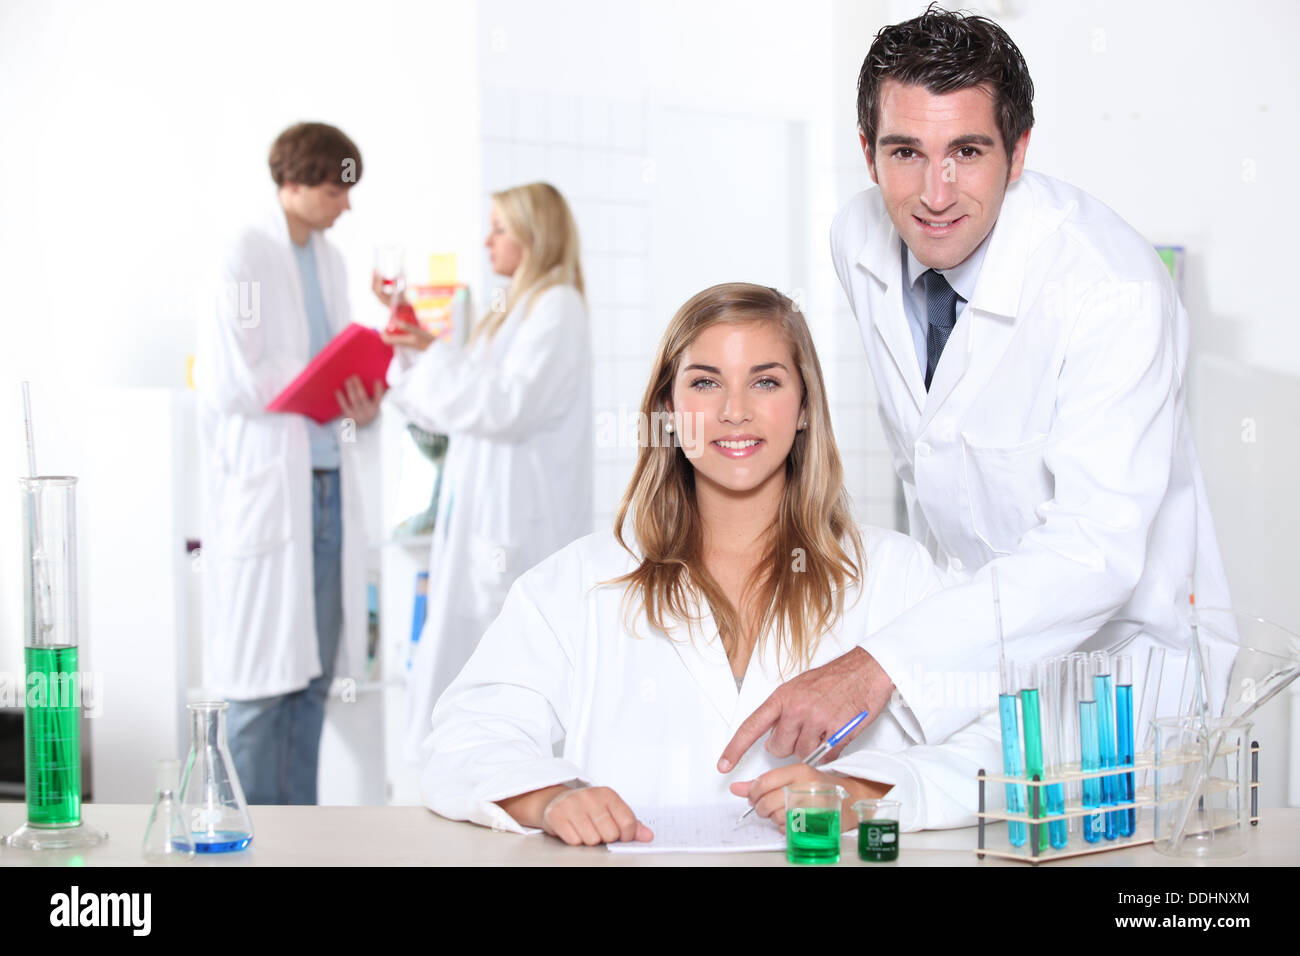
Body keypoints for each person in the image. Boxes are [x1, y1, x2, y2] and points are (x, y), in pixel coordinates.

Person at [718, 5, 1232, 774]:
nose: (935, 192)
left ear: (1018, 151)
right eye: (905, 152)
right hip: (966, 660)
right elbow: (933, 452)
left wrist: (881, 661)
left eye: (967, 149)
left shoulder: (1107, 285)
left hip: (1124, 675)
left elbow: (1096, 549)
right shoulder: (857, 239)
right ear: (867, 152)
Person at [423, 283, 1000, 843]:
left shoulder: (893, 575)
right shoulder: (578, 582)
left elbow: (998, 746)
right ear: (669, 411)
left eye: (766, 381)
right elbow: (464, 738)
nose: (735, 412)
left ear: (804, 408)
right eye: (706, 383)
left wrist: (857, 790)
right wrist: (549, 799)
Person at [196, 122, 385, 804]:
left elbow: (330, 369)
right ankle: (246, 834)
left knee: (310, 683)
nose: (347, 204)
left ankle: (297, 839)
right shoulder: (245, 251)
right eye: (340, 187)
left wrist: (355, 399)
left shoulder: (330, 262)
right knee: (258, 686)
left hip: (329, 482)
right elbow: (228, 378)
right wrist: (316, 378)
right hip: (271, 488)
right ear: (299, 180)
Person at [380, 182, 592, 758]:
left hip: (517, 528)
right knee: (468, 689)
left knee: (513, 685)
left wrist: (431, 351)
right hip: (482, 523)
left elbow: (504, 406)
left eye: (500, 227)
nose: (487, 239)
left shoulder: (557, 308)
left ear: (533, 233)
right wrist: (417, 347)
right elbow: (457, 406)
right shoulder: (512, 310)